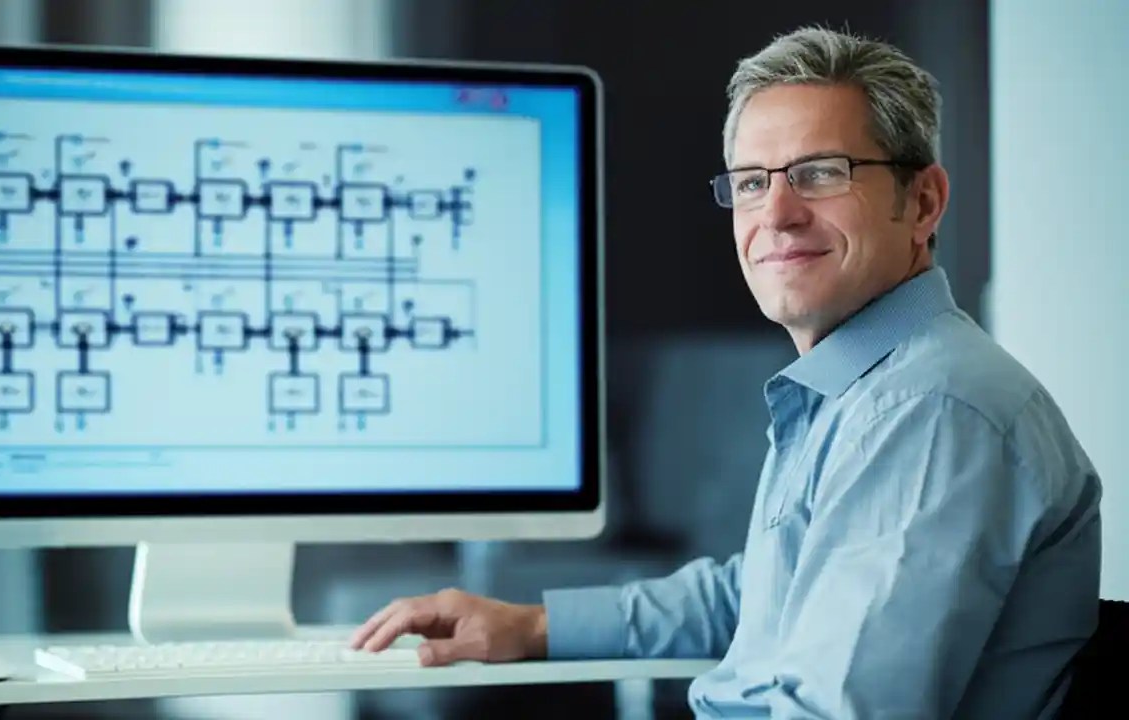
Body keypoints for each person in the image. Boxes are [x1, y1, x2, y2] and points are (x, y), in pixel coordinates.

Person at [350, 25, 1103, 719]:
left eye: (818, 173)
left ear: (925, 201)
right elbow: (759, 596)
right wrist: (534, 625)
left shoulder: (929, 411)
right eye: (750, 181)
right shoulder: (866, 389)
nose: (775, 214)